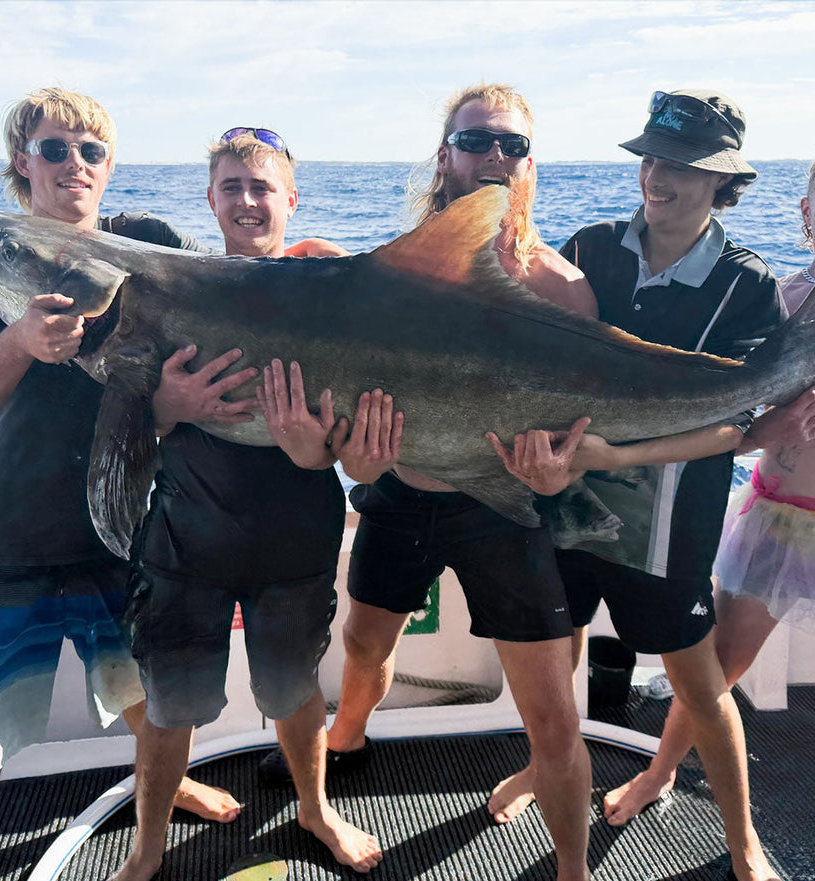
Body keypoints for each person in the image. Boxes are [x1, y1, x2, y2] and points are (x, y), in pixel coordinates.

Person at [260, 83, 600, 881]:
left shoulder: (560, 287)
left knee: (551, 713)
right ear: (443, 154)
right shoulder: (395, 270)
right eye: (477, 141)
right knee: (364, 645)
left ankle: (576, 871)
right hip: (401, 495)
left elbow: (590, 423)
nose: (494, 157)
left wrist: (562, 468)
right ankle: (345, 738)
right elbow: (334, 352)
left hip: (504, 506)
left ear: (529, 163)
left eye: (512, 145)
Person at [601, 145, 815, 881]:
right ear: (805, 212)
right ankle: (658, 772)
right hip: (779, 517)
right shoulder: (778, 300)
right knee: (713, 670)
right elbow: (732, 404)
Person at [0, 87, 244, 881]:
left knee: (150, 696)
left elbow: (232, 328)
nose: (75, 164)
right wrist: (20, 340)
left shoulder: (150, 242)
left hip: (128, 523)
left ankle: (169, 786)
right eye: (54, 149)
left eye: (91, 150)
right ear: (22, 161)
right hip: (17, 529)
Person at [488, 89, 794, 881]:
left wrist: (613, 458)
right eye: (652, 157)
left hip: (669, 524)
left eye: (684, 165)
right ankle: (540, 768)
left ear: (721, 180)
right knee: (555, 666)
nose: (659, 175)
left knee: (699, 685)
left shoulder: (746, 283)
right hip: (559, 506)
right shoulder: (590, 246)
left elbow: (736, 425)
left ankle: (742, 836)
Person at [108, 129, 383, 881]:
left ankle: (314, 807)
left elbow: (360, 419)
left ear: (290, 199)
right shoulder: (174, 290)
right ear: (210, 201)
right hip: (185, 543)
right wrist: (164, 406)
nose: (247, 201)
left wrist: (325, 446)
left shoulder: (329, 291)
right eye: (231, 187)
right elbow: (126, 413)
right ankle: (147, 845)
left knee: (295, 694)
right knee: (170, 709)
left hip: (294, 542)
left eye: (262, 187)